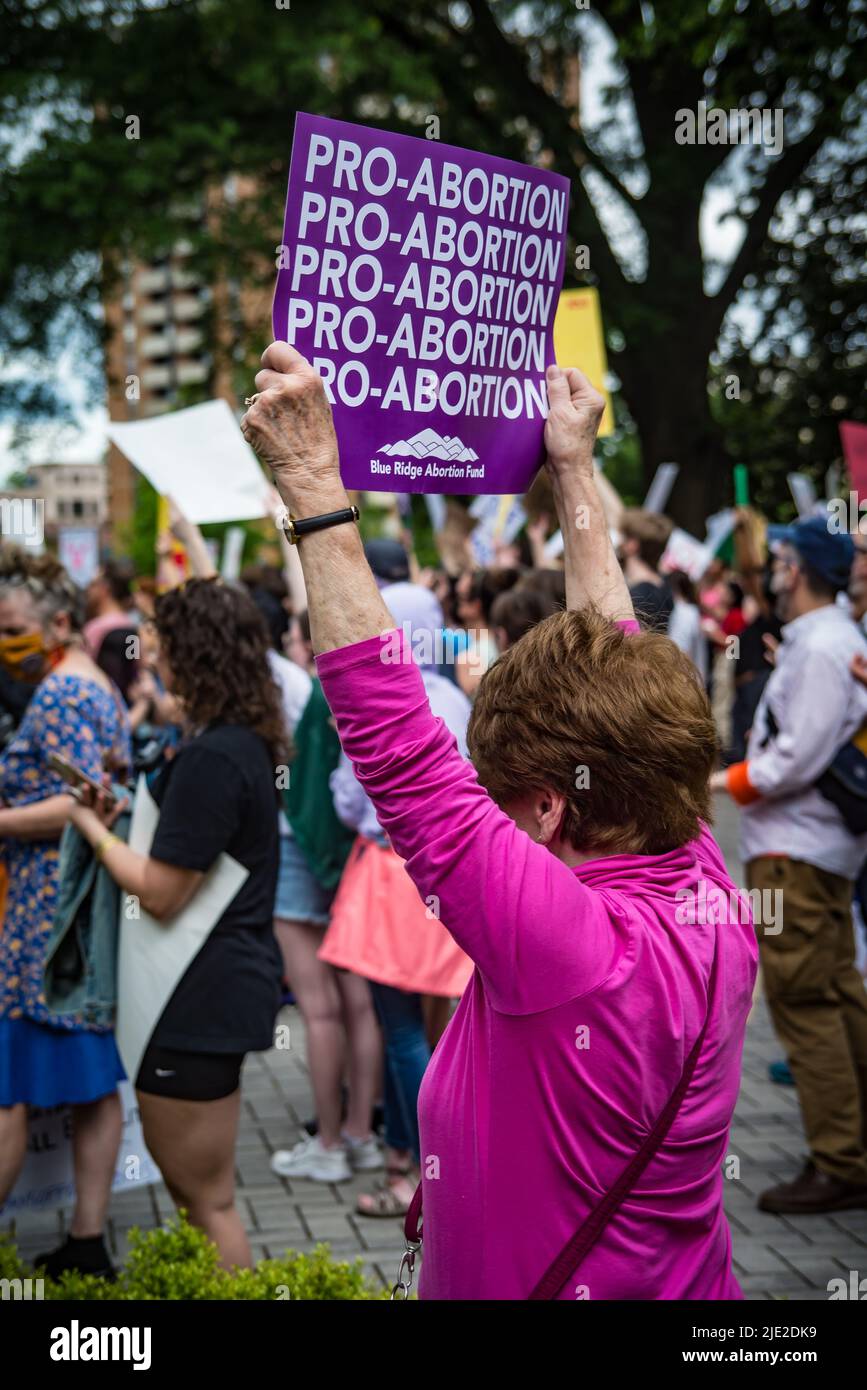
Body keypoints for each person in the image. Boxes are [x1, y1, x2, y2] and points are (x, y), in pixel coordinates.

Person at [240, 343, 757, 1300]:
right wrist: (573, 471)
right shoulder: (701, 876)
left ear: (552, 805)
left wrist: (315, 484)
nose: (487, 808)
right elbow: (620, 667)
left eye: (500, 791)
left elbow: (399, 751)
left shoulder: (570, 944)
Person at [67, 578, 287, 1268]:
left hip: (194, 995)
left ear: (195, 653)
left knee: (205, 1201)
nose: (148, 655)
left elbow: (161, 893)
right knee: (204, 1198)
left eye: (159, 642)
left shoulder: (214, 757)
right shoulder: (234, 743)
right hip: (210, 990)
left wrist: (87, 828)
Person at [715, 515, 867, 1213]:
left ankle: (838, 1161)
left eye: (779, 559)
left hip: (795, 852)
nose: (772, 570)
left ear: (797, 569)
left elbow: (796, 753)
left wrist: (727, 782)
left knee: (805, 1004)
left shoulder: (821, 645)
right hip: (810, 849)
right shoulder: (825, 640)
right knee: (836, 993)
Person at [319, 582, 474, 1217]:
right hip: (452, 874)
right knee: (444, 1027)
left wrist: (338, 762)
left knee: (402, 1031)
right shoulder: (457, 700)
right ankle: (442, 1158)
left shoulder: (382, 702)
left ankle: (411, 1166)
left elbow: (352, 802)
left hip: (390, 879)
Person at [0, 548, 130, 1279]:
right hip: (60, 906)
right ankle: (86, 1240)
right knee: (82, 1076)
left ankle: (86, 1241)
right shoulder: (81, 684)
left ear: (57, 622)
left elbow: (85, 803)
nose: (5, 641)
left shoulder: (66, 695)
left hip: (50, 914)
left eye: (13, 627)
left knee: (15, 1081)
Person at [617, 508, 674, 632]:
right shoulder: (664, 585)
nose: (620, 541)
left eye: (624, 536)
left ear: (633, 545)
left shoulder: (639, 593)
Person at [83, 559, 136, 661]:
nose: (88, 589)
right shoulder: (132, 626)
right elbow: (134, 668)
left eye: (93, 584)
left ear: (104, 588)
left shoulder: (94, 629)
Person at [667, 570, 708, 685]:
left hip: (684, 684)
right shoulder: (692, 611)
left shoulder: (683, 613)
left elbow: (680, 651)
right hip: (694, 682)